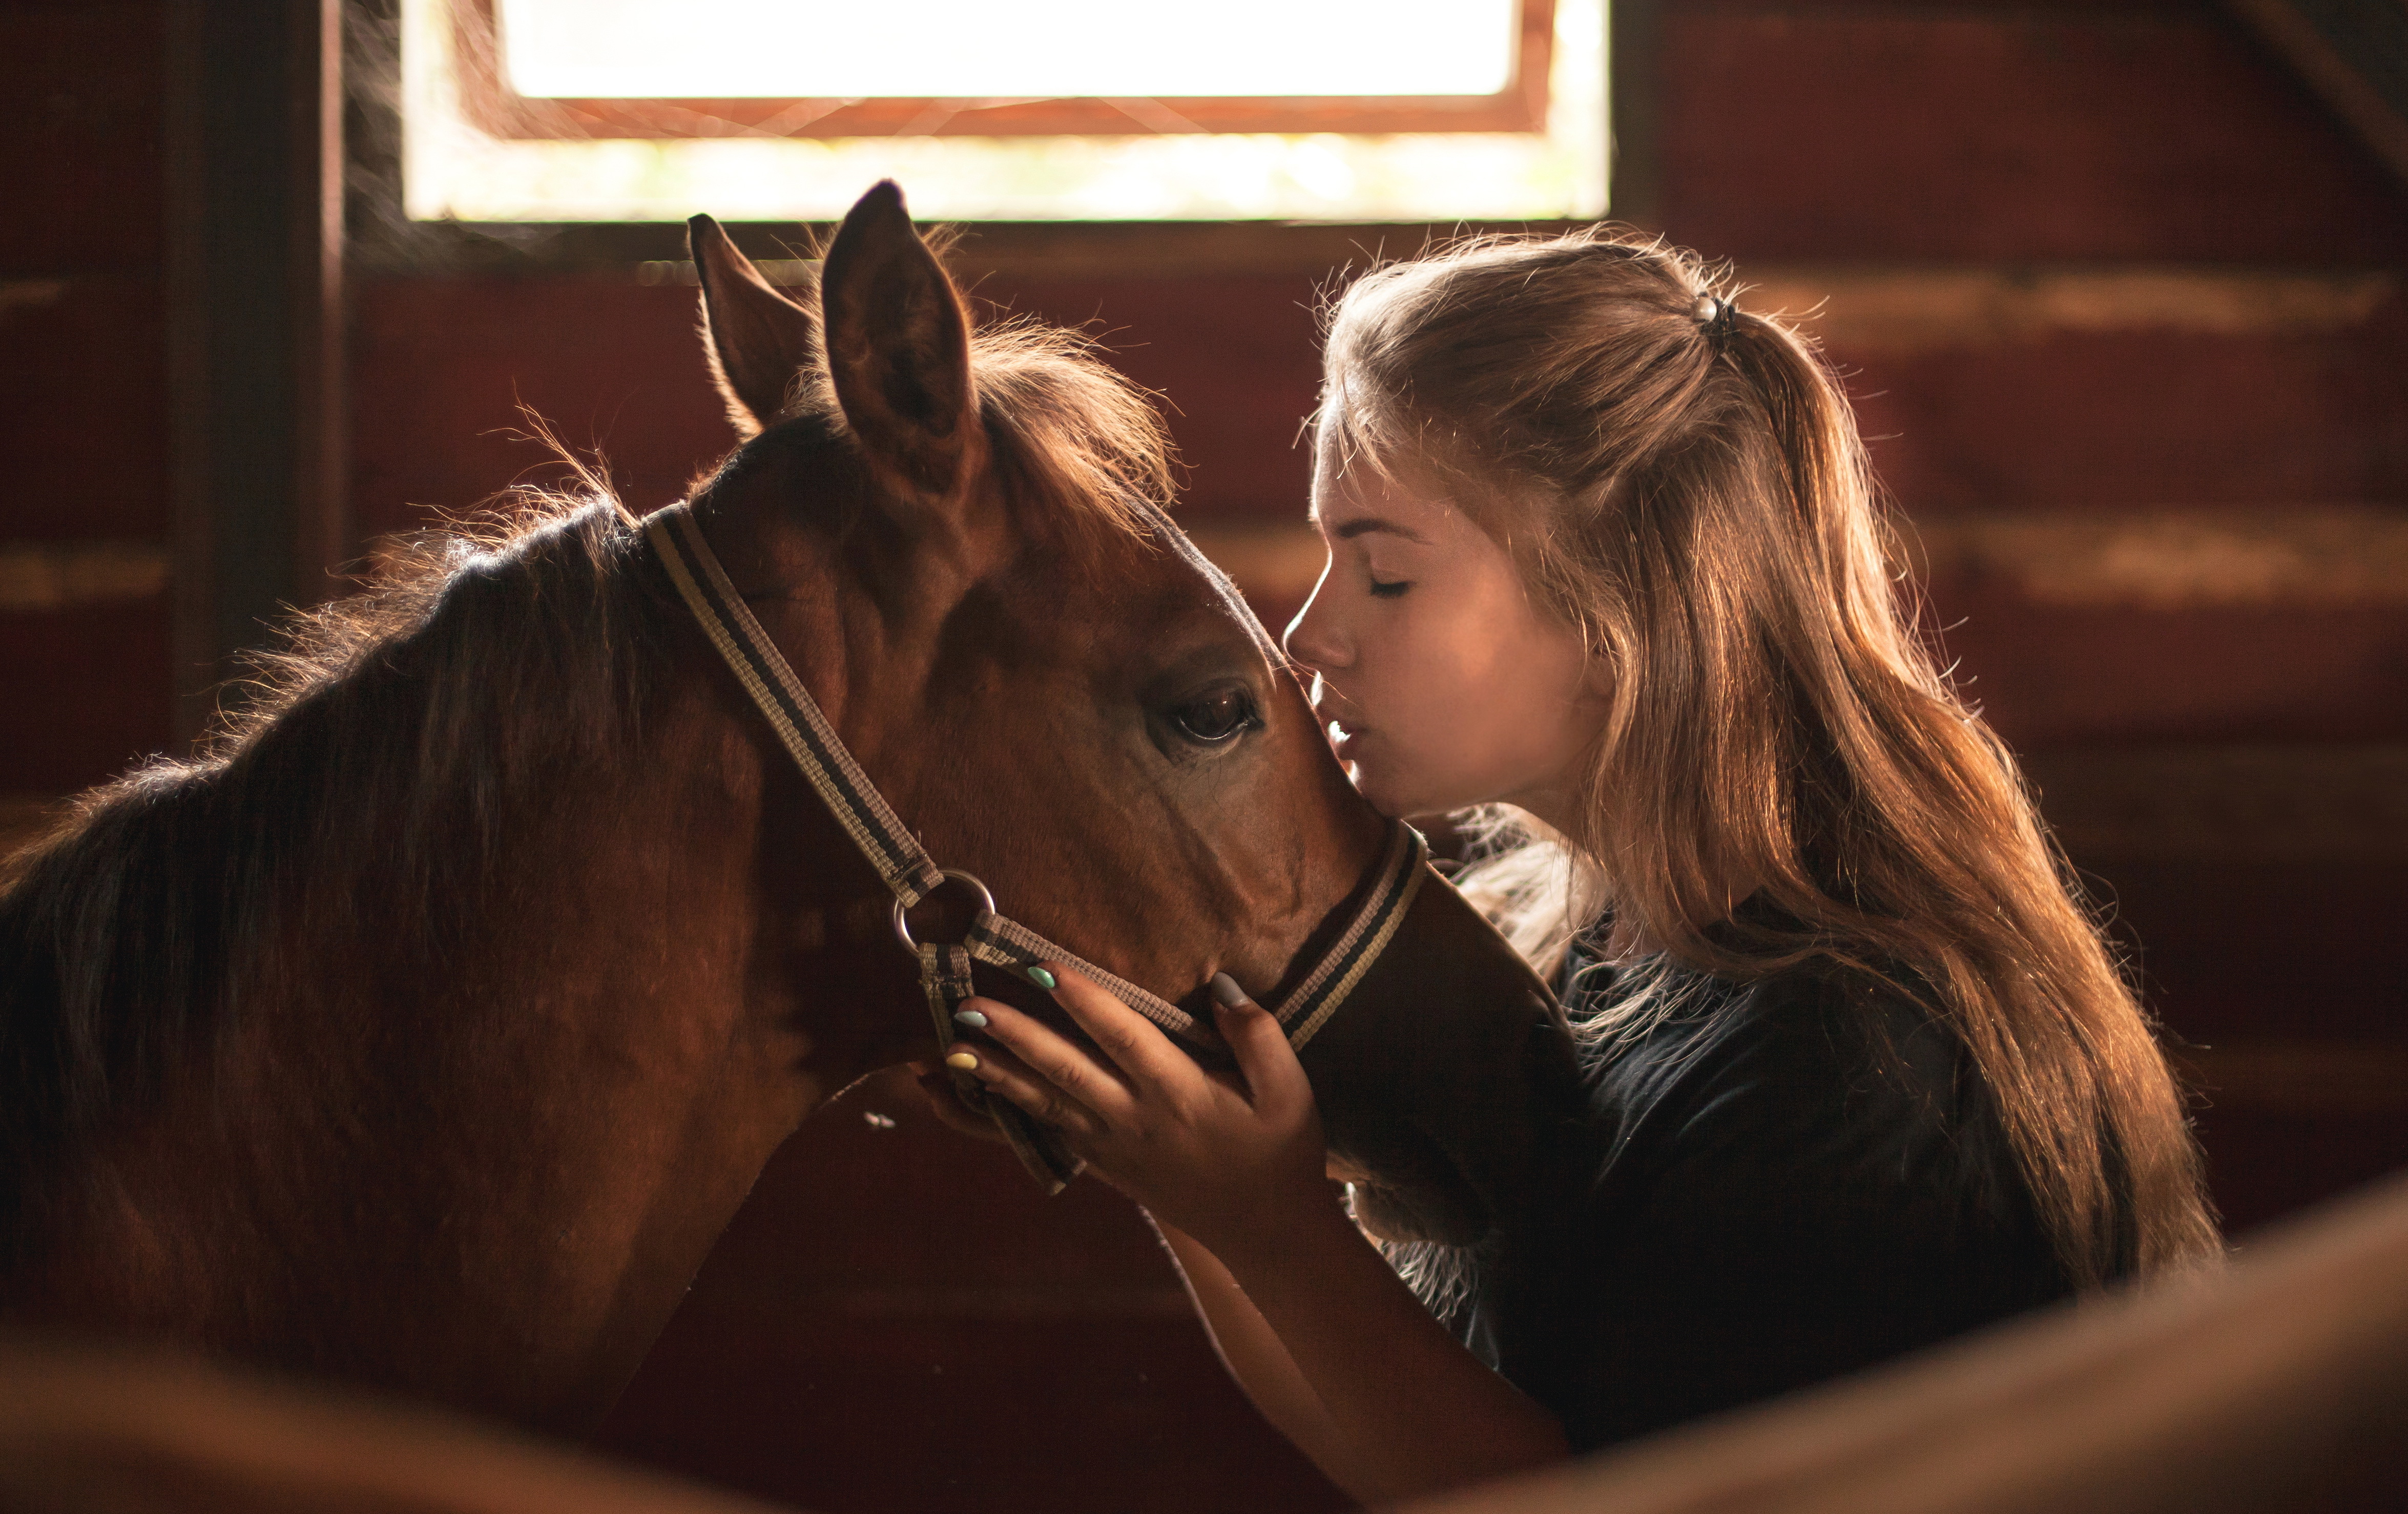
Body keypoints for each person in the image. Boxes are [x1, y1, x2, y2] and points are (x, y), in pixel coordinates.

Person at [916, 229, 2222, 1505]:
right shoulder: (1562, 934)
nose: (1310, 633)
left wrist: (1277, 1226)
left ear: (1618, 608)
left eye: (1382, 573)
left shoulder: (1858, 1063)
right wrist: (1188, 1185)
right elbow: (1397, 1436)